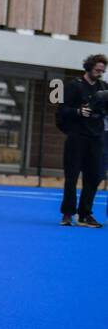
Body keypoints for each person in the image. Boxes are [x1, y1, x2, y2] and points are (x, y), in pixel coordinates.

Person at [59, 54, 107, 228]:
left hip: (96, 138)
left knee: (93, 177)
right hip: (77, 137)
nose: (100, 73)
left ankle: (85, 214)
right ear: (88, 67)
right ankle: (67, 213)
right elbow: (62, 110)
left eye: (103, 71)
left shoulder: (104, 87)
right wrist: (78, 112)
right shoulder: (74, 86)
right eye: (97, 70)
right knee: (71, 177)